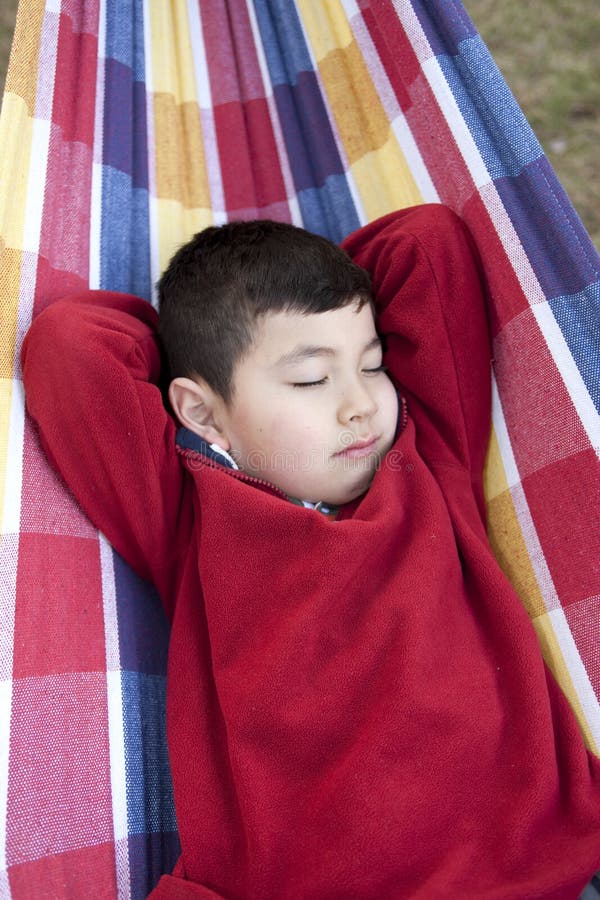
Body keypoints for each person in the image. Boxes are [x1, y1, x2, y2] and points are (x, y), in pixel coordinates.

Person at [21, 204, 600, 898]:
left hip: (533, 864)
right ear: (202, 413)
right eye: (309, 379)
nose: (359, 404)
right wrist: (193, 338)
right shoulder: (186, 516)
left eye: (373, 363)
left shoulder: (425, 454)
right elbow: (70, 346)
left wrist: (308, 305)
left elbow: (425, 242)